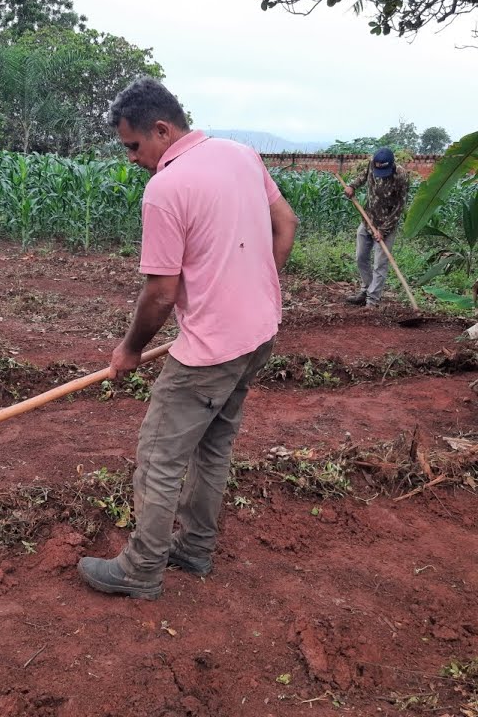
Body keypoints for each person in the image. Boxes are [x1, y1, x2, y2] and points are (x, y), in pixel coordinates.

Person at [76, 77, 298, 600]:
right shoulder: (241, 155)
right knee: (213, 447)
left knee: (159, 455)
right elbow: (285, 223)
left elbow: (160, 293)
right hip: (259, 334)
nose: (132, 158)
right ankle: (195, 548)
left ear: (161, 128)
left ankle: (141, 569)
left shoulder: (167, 188)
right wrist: (257, 288)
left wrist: (129, 350)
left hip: (210, 353)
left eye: (134, 145)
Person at [342, 147, 411, 307]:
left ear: (391, 165)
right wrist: (352, 186)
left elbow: (399, 207)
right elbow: (362, 177)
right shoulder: (372, 164)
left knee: (380, 264)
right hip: (368, 220)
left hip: (387, 225)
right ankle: (366, 290)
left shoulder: (401, 176)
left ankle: (372, 301)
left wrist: (383, 230)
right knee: (361, 258)